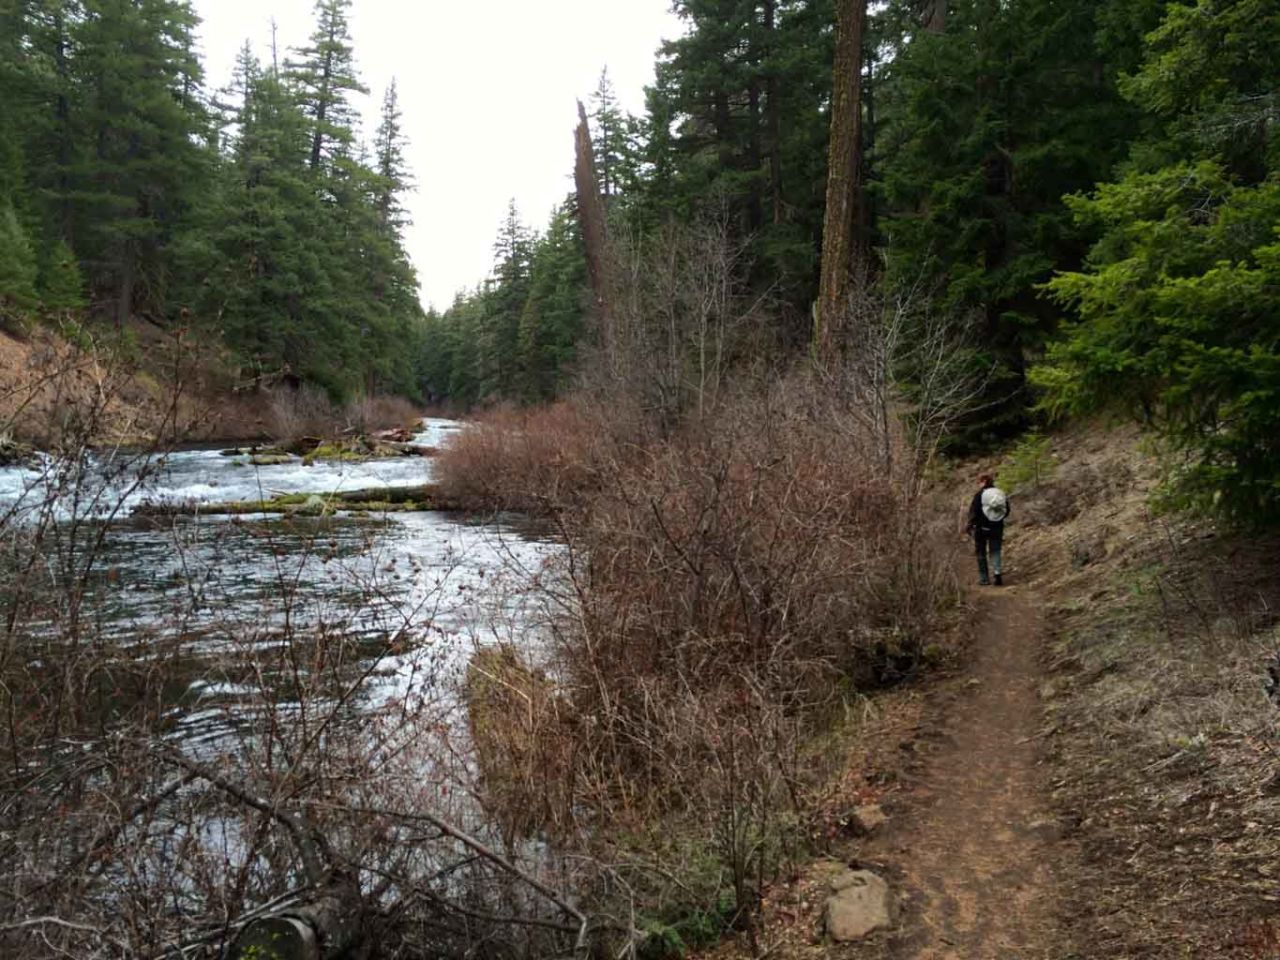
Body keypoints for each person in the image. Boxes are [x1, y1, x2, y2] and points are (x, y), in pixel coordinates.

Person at [966, 474, 1009, 586]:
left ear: (984, 482)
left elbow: (973, 511)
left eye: (979, 482)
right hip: (997, 527)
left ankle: (984, 579)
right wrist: (998, 520)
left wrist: (969, 525)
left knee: (981, 552)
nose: (978, 484)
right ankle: (997, 575)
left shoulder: (979, 495)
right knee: (995, 550)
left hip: (981, 528)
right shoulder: (1000, 493)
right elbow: (1007, 510)